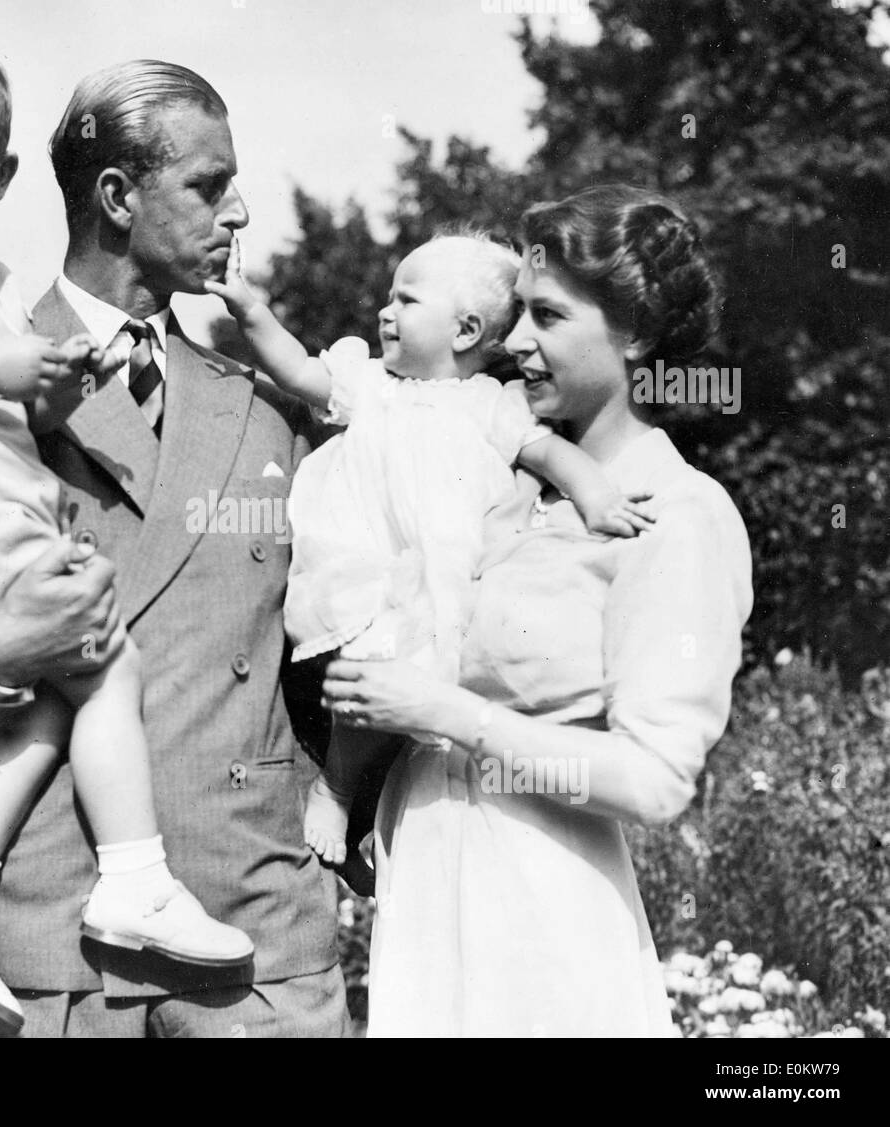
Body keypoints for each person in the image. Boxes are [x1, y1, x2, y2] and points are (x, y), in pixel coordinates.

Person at [0, 58, 348, 1038]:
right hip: (53, 943)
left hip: (253, 942)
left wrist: (338, 807)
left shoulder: (265, 410)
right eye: (211, 184)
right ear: (117, 196)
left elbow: (346, 631)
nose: (239, 211)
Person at [320, 185, 753, 1036]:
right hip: (428, 899)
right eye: (516, 312)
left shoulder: (677, 513)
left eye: (547, 318)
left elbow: (653, 778)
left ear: (635, 334)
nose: (515, 342)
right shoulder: (496, 487)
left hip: (545, 922)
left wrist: (447, 712)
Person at [207, 230, 655, 866]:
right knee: (365, 679)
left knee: (416, 692)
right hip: (363, 566)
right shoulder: (369, 384)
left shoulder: (489, 406)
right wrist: (249, 308)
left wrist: (597, 494)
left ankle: (370, 815)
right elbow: (300, 371)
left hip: (441, 579)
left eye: (407, 300)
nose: (385, 311)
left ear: (466, 330)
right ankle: (336, 787)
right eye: (389, 297)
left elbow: (550, 453)